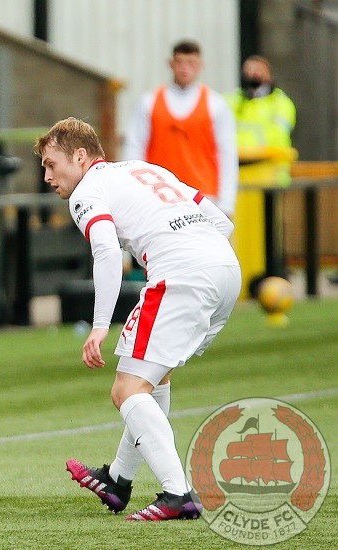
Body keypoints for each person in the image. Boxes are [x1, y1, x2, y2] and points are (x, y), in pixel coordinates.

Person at [35, 118, 240, 521]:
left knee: (126, 390)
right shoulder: (144, 168)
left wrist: (98, 325)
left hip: (182, 274)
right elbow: (223, 222)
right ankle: (118, 479)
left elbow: (108, 253)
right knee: (151, 377)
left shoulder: (87, 191)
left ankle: (177, 494)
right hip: (225, 268)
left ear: (80, 157)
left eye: (51, 164)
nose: (47, 176)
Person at [122, 39, 238, 217]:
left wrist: (226, 202)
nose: (185, 68)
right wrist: (135, 194)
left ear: (200, 66)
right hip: (159, 197)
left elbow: (227, 153)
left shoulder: (216, 105)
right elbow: (134, 148)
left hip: (205, 198)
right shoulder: (149, 102)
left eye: (191, 63)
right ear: (171, 64)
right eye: (180, 62)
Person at [226, 55, 296, 186]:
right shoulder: (233, 100)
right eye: (248, 69)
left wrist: (247, 149)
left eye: (258, 69)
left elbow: (279, 135)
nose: (254, 73)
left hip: (270, 176)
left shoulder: (280, 103)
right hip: (239, 177)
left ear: (269, 75)